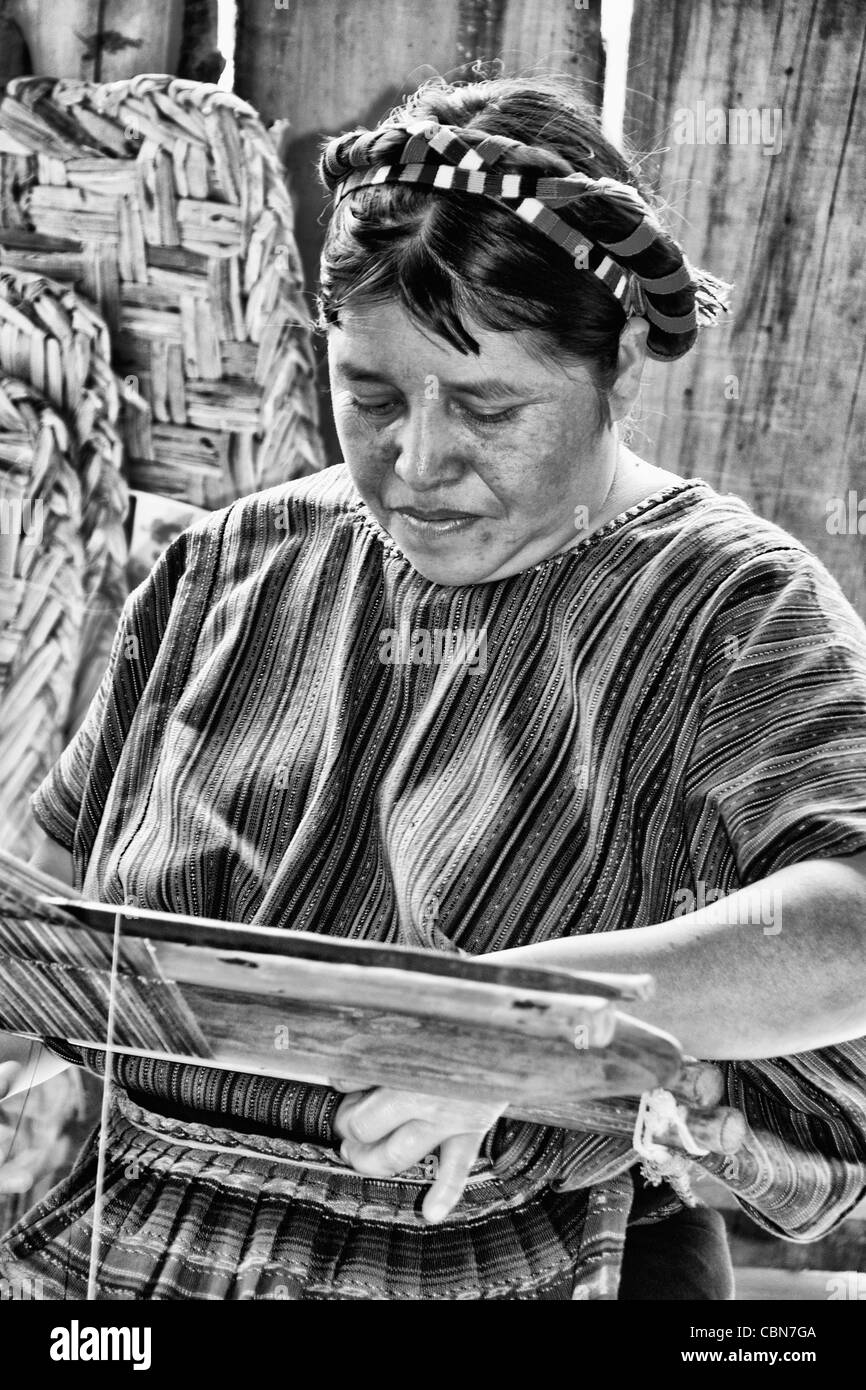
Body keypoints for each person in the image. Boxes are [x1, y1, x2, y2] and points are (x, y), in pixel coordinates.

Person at [1, 72, 866, 1301]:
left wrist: (512, 1034)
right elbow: (49, 894)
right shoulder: (227, 566)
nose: (414, 461)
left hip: (508, 1251)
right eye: (366, 395)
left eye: (486, 405)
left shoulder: (724, 606)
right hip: (129, 1257)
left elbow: (847, 922)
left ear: (614, 356)